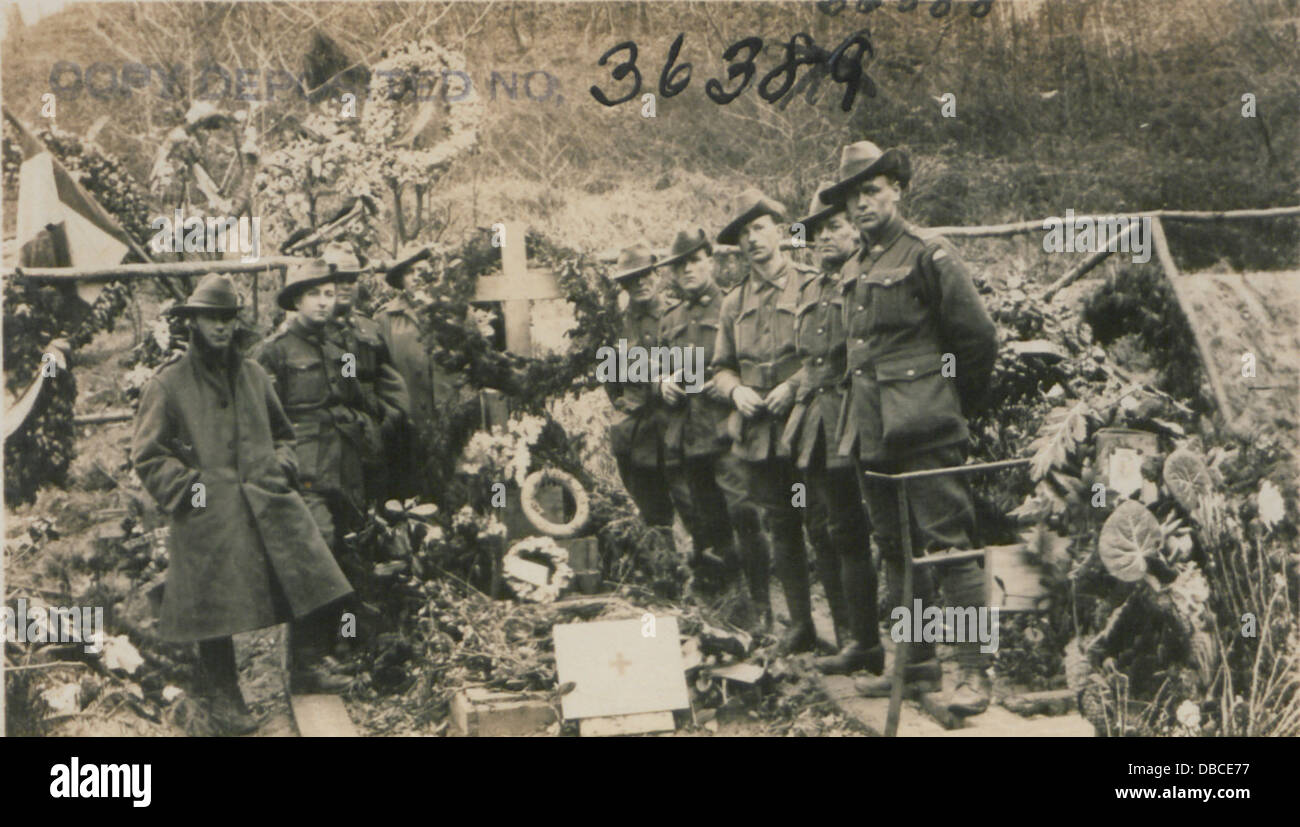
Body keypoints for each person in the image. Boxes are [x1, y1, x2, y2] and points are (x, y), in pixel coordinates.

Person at [131, 274, 355, 733]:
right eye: (211, 319)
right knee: (212, 604)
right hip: (206, 510)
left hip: (265, 499)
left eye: (228, 318)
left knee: (309, 568)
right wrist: (191, 490)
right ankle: (224, 694)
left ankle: (306, 664)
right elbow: (149, 455)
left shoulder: (253, 374)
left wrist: (281, 466)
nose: (220, 328)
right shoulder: (169, 383)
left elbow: (283, 435)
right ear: (192, 322)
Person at [820, 141, 999, 715]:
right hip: (871, 431)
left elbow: (977, 339)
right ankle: (915, 657)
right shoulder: (855, 266)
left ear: (897, 189)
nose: (862, 205)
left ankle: (973, 673)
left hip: (926, 429)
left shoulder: (929, 253)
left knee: (949, 549)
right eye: (853, 197)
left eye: (871, 191)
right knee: (894, 549)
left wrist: (947, 406)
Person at [710, 189, 821, 650]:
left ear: (780, 229)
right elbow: (721, 367)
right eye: (743, 233)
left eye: (759, 228)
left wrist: (793, 387)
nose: (752, 239)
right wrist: (735, 390)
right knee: (781, 527)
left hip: (808, 426)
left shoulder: (811, 285)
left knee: (823, 523)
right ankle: (801, 626)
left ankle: (854, 632)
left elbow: (827, 355)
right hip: (762, 436)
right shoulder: (733, 304)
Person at [780, 185, 884, 675]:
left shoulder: (868, 278)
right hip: (821, 426)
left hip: (863, 418)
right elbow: (810, 361)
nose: (824, 238)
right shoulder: (808, 289)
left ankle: (912, 647)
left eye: (834, 227)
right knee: (834, 530)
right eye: (816, 232)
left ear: (855, 228)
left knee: (888, 532)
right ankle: (857, 640)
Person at [256, 259, 369, 557]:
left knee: (355, 545)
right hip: (304, 470)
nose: (323, 303)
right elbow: (262, 419)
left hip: (345, 465)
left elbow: (354, 397)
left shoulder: (341, 346)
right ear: (297, 300)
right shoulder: (274, 351)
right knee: (320, 545)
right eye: (314, 294)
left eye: (329, 295)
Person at [655, 228, 740, 592]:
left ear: (710, 260)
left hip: (726, 428)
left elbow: (747, 361)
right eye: (680, 265)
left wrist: (728, 385)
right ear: (672, 272)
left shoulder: (731, 307)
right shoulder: (670, 319)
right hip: (687, 432)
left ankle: (758, 594)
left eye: (694, 260)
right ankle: (721, 593)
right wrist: (661, 382)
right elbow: (654, 365)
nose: (688, 269)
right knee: (703, 518)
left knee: (743, 513)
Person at [323, 242, 411, 505]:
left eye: (352, 279)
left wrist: (388, 420)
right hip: (330, 450)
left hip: (372, 444)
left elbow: (391, 382)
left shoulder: (369, 329)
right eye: (339, 279)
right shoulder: (310, 331)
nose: (346, 286)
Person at [603, 242, 675, 527]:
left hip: (676, 427)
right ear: (624, 284)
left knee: (691, 508)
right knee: (653, 514)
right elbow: (612, 382)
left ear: (656, 274)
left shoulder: (676, 314)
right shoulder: (616, 326)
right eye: (632, 278)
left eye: (646, 274)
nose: (641, 283)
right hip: (636, 433)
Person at [373, 259, 438, 500]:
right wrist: (393, 414)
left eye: (424, 270)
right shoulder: (385, 319)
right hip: (405, 431)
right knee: (409, 498)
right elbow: (377, 374)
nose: (418, 277)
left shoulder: (452, 311)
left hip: (447, 424)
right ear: (401, 280)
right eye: (410, 272)